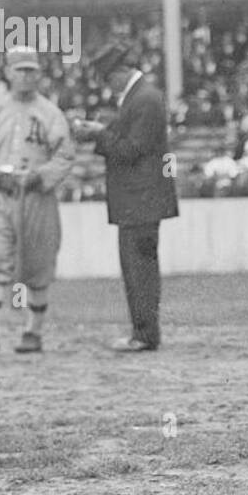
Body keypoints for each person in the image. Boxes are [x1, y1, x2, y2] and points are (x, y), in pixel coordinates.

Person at [0, 46, 75, 354]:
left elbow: (65, 155)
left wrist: (42, 175)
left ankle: (32, 332)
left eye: (32, 70)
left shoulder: (51, 112)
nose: (26, 76)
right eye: (20, 70)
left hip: (37, 195)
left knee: (38, 264)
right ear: (8, 72)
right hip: (1, 192)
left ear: (39, 74)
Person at [72, 45, 179, 351]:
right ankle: (142, 332)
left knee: (139, 270)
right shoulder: (143, 97)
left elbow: (130, 150)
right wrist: (103, 131)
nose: (108, 87)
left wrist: (97, 134)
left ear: (119, 72)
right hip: (139, 201)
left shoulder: (144, 99)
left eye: (108, 80)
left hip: (140, 201)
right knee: (138, 269)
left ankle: (144, 335)